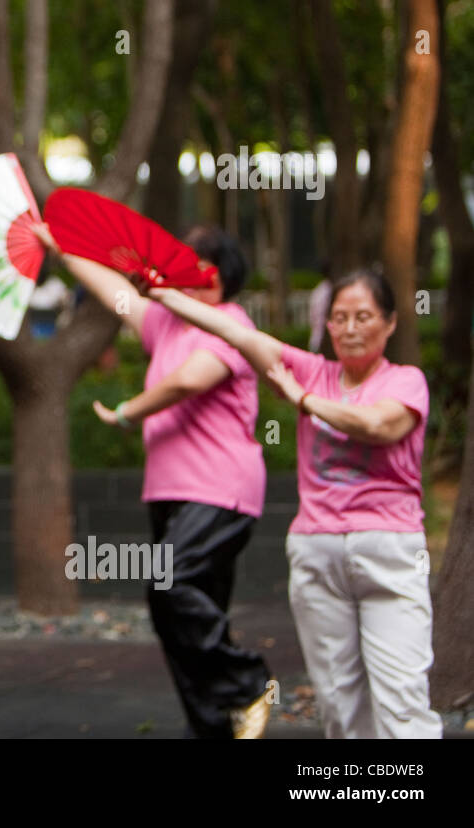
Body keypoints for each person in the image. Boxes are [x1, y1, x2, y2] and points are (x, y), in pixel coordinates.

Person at [147, 269, 443, 738]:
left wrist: (304, 400)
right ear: (327, 326)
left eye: (363, 316)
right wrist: (165, 296)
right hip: (316, 551)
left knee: (401, 699)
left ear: (389, 323)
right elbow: (235, 332)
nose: (349, 328)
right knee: (338, 702)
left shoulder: (405, 382)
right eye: (339, 317)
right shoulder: (312, 370)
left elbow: (378, 426)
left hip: (387, 551)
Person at [34, 222, 272, 738]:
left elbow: (188, 381)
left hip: (220, 490)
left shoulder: (231, 323)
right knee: (185, 615)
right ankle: (214, 726)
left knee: (171, 584)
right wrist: (62, 247)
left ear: (221, 277)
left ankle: (246, 682)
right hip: (168, 490)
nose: (186, 276)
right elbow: (113, 289)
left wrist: (126, 412)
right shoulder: (165, 323)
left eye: (199, 268)